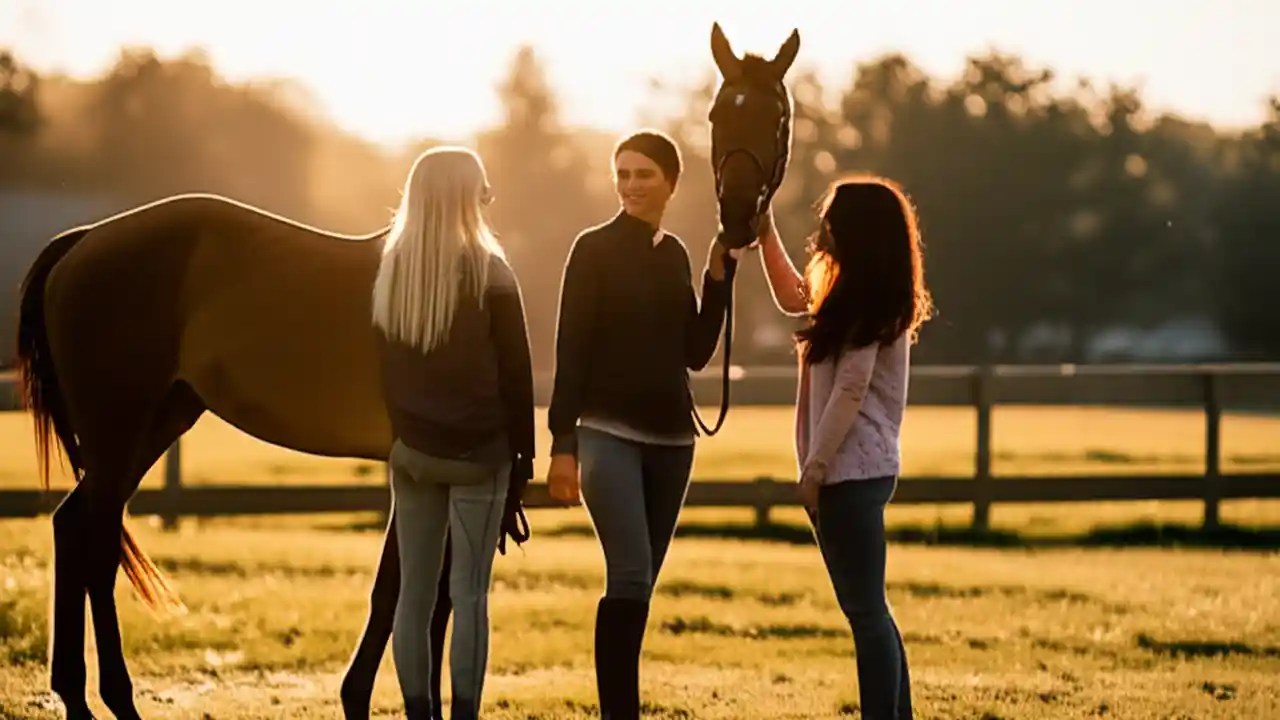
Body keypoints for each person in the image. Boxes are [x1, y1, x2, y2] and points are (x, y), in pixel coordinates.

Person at [545, 130, 740, 719]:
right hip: (608, 437)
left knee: (642, 583)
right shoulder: (592, 249)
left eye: (643, 175)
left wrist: (716, 277)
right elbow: (570, 349)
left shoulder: (675, 252)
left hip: (674, 442)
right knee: (629, 575)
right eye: (622, 174)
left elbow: (695, 351)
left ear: (670, 183)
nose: (630, 185)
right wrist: (562, 443)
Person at [755, 175, 933, 720]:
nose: (823, 229)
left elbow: (851, 388)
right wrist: (764, 236)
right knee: (869, 609)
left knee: (864, 611)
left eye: (832, 219)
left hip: (848, 473)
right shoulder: (852, 292)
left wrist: (814, 468)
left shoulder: (867, 305)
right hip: (854, 471)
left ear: (857, 231)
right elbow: (794, 296)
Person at [370, 146, 534, 720]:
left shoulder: (392, 272)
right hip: (479, 457)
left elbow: (385, 370)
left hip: (413, 453)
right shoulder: (492, 271)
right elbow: (518, 377)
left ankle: (419, 712)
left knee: (413, 596)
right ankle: (464, 712)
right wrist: (525, 462)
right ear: (471, 197)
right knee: (468, 596)